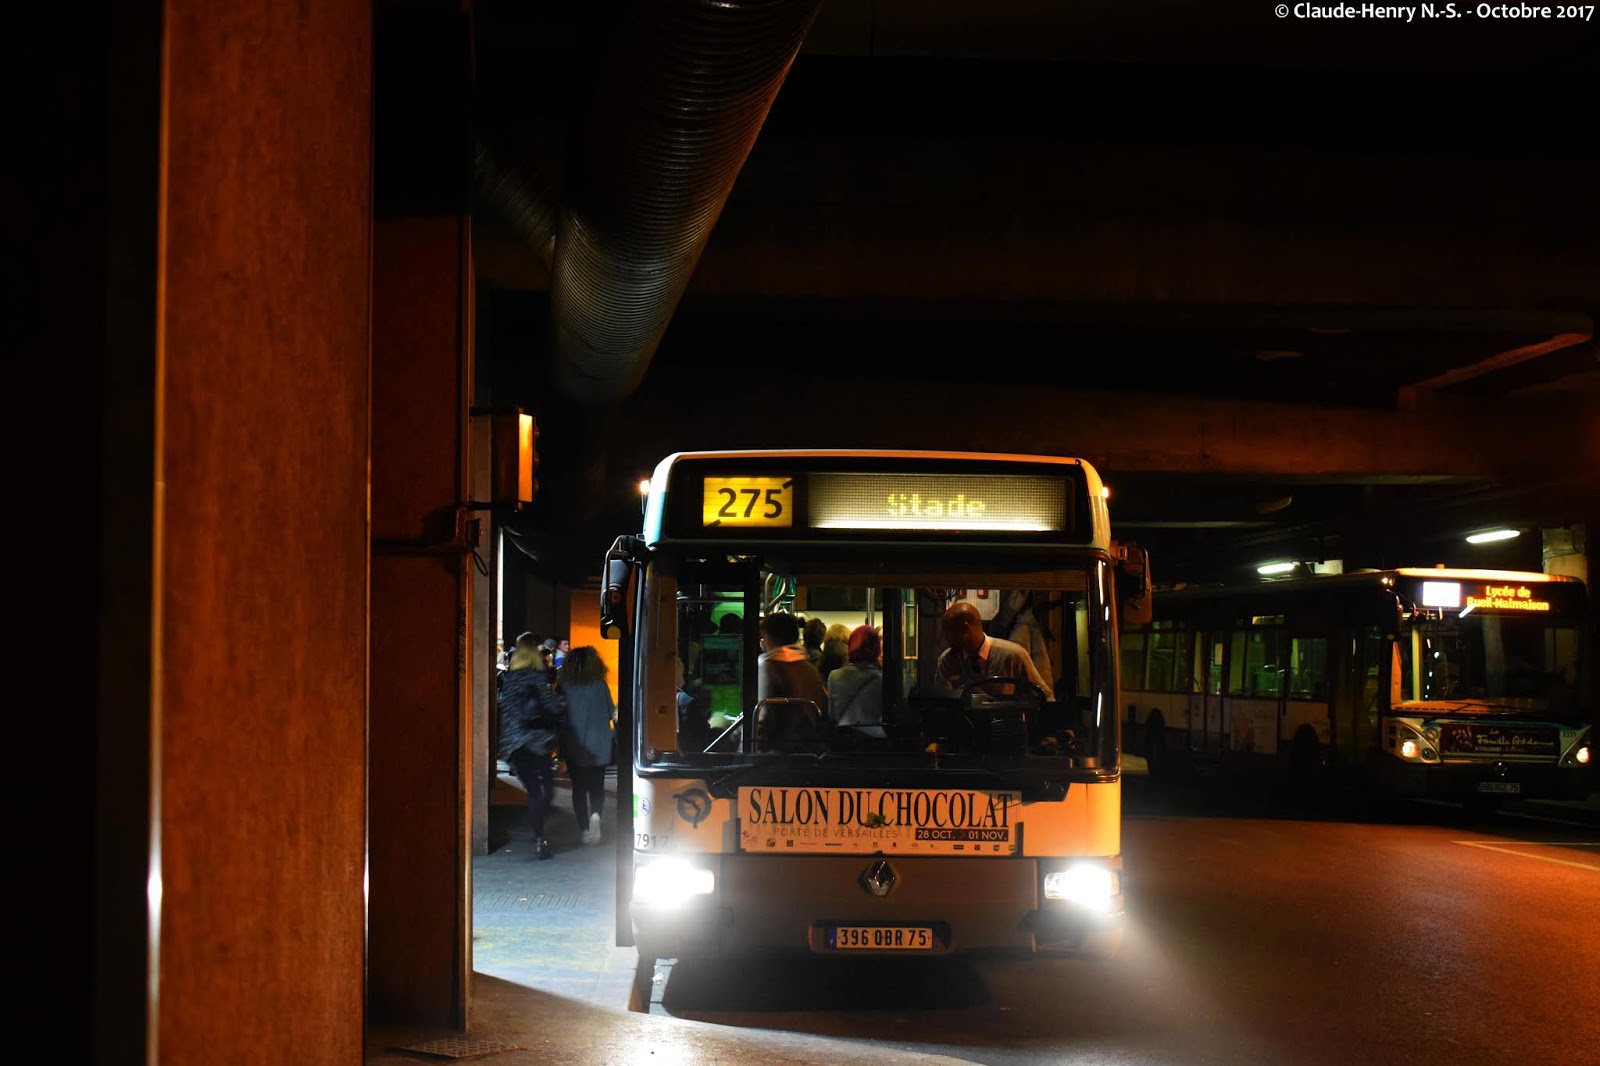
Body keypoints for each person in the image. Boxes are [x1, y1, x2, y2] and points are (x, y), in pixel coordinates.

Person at [497, 632, 568, 860]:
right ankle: (539, 834)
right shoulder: (536, 676)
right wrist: (562, 702)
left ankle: (538, 834)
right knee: (546, 790)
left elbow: (506, 711)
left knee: (533, 790)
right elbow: (551, 706)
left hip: (514, 744)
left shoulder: (509, 677)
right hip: (536, 740)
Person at [557, 646, 615, 846]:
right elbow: (611, 713)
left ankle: (583, 828)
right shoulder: (600, 685)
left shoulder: (564, 686)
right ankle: (596, 815)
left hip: (574, 743)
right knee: (597, 786)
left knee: (579, 788)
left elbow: (559, 715)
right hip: (600, 743)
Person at [937, 600, 1053, 699]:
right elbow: (941, 700)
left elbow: (1044, 696)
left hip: (1006, 723)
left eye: (948, 632)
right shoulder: (948, 661)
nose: (945, 638)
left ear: (965, 628)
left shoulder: (1012, 655)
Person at [756, 610, 830, 747]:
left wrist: (754, 748)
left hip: (778, 748)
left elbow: (763, 714)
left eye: (764, 638)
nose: (763, 643)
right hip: (808, 745)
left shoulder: (768, 667)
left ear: (773, 638)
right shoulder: (809, 668)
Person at [828, 624, 884, 727]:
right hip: (873, 737)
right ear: (876, 648)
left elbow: (833, 715)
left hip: (844, 736)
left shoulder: (834, 676)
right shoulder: (882, 680)